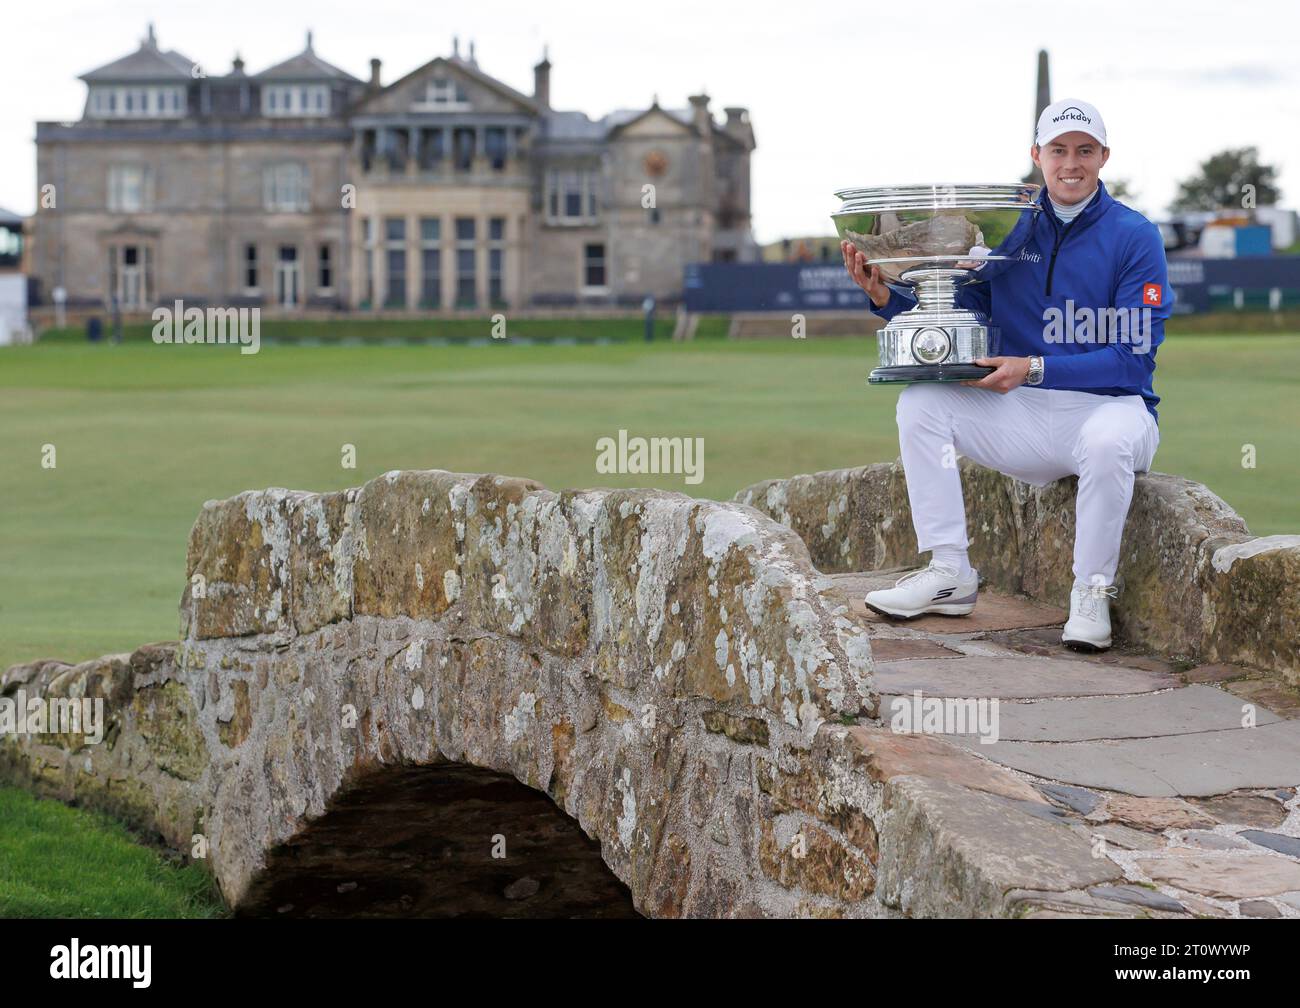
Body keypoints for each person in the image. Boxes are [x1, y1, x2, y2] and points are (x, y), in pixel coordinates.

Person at [840, 98, 1171, 652]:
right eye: (1059, 150)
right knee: (922, 403)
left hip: (1110, 410)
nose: (1072, 163)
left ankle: (1090, 593)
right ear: (1036, 155)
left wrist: (1033, 368)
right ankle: (950, 574)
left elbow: (1133, 359)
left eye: (1085, 151)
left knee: (1110, 438)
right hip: (1022, 413)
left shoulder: (1135, 236)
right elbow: (958, 317)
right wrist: (887, 299)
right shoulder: (1010, 230)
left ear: (1104, 156)